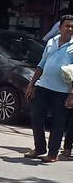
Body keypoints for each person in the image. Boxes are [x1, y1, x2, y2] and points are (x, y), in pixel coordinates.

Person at [23, 13, 73, 164]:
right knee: (36, 117)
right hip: (44, 86)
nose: (70, 29)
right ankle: (39, 148)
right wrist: (32, 84)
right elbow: (41, 64)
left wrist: (71, 95)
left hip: (62, 91)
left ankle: (53, 153)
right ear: (60, 27)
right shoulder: (51, 41)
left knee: (58, 123)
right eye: (67, 26)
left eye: (72, 27)